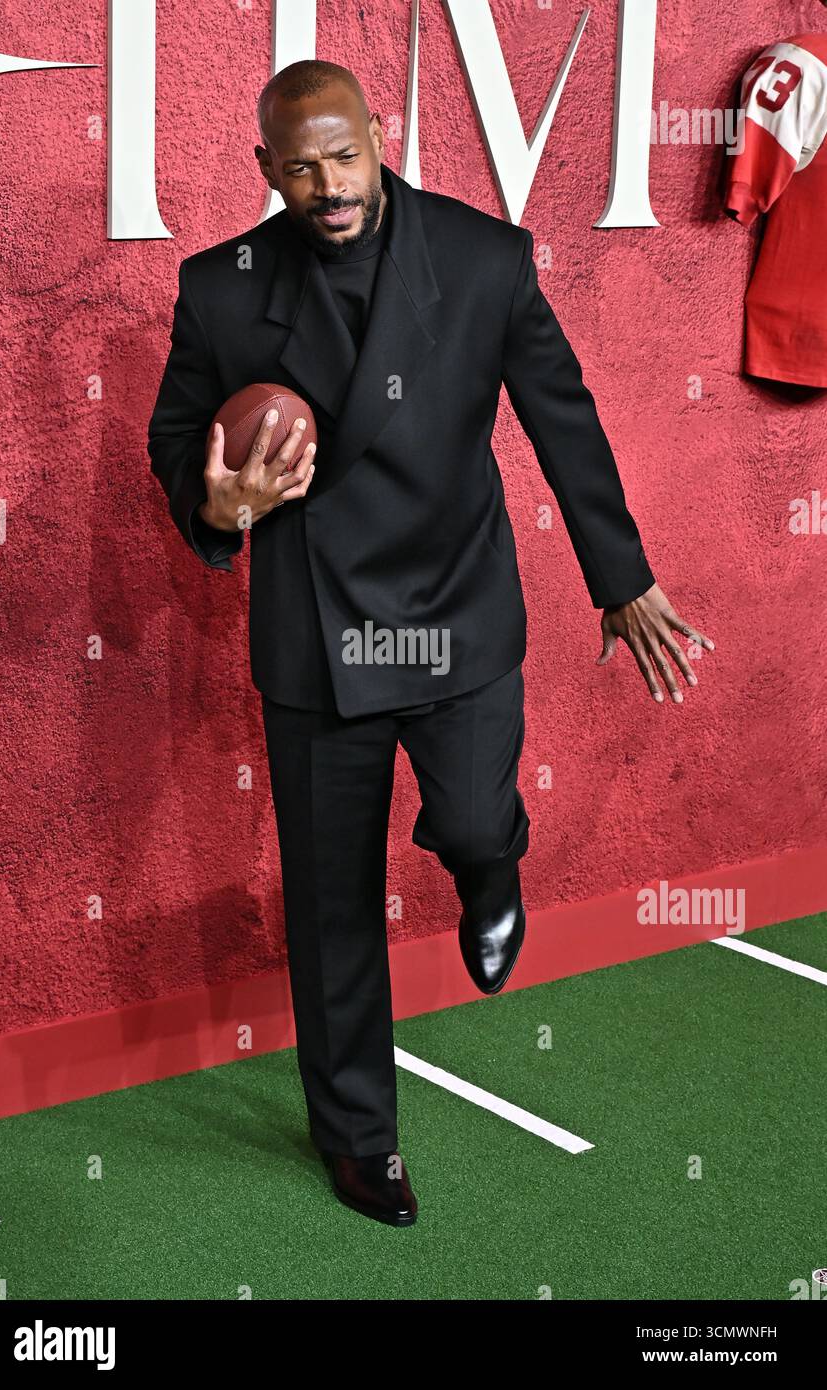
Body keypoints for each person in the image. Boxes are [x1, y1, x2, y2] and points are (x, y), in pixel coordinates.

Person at [148, 59, 713, 1229]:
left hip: (455, 609)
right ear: (266, 171)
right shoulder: (220, 288)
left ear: (377, 136)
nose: (328, 183)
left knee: (465, 815)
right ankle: (359, 1138)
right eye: (298, 166)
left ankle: (488, 865)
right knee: (331, 907)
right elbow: (174, 445)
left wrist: (621, 577)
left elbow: (562, 415)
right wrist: (218, 509)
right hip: (315, 633)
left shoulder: (481, 257)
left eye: (344, 153)